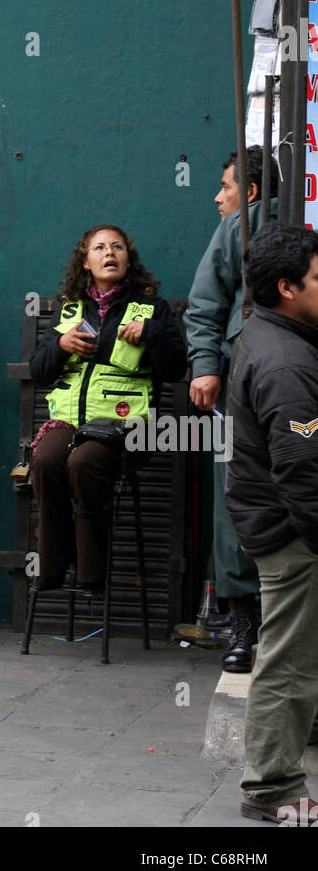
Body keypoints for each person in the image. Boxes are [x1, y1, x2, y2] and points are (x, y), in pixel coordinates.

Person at [28, 225, 187, 591]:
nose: (109, 253)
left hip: (127, 428)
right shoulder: (69, 310)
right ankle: (51, 566)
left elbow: (176, 368)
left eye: (117, 247)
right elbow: (40, 372)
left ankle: (90, 571)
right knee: (47, 460)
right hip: (68, 423)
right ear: (86, 261)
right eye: (99, 247)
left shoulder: (152, 308)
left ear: (128, 259)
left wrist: (151, 335)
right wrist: (61, 345)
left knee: (83, 463)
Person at [225, 224, 318, 823]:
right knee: (287, 662)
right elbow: (302, 473)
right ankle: (273, 787)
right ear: (288, 288)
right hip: (293, 535)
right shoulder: (287, 363)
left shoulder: (274, 333)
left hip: (281, 524)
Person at [185, 146, 279, 671]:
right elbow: (206, 304)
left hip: (289, 384)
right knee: (235, 499)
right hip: (240, 381)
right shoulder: (236, 229)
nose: (218, 197)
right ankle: (242, 623)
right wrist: (205, 365)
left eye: (226, 186)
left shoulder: (263, 221)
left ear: (253, 190)